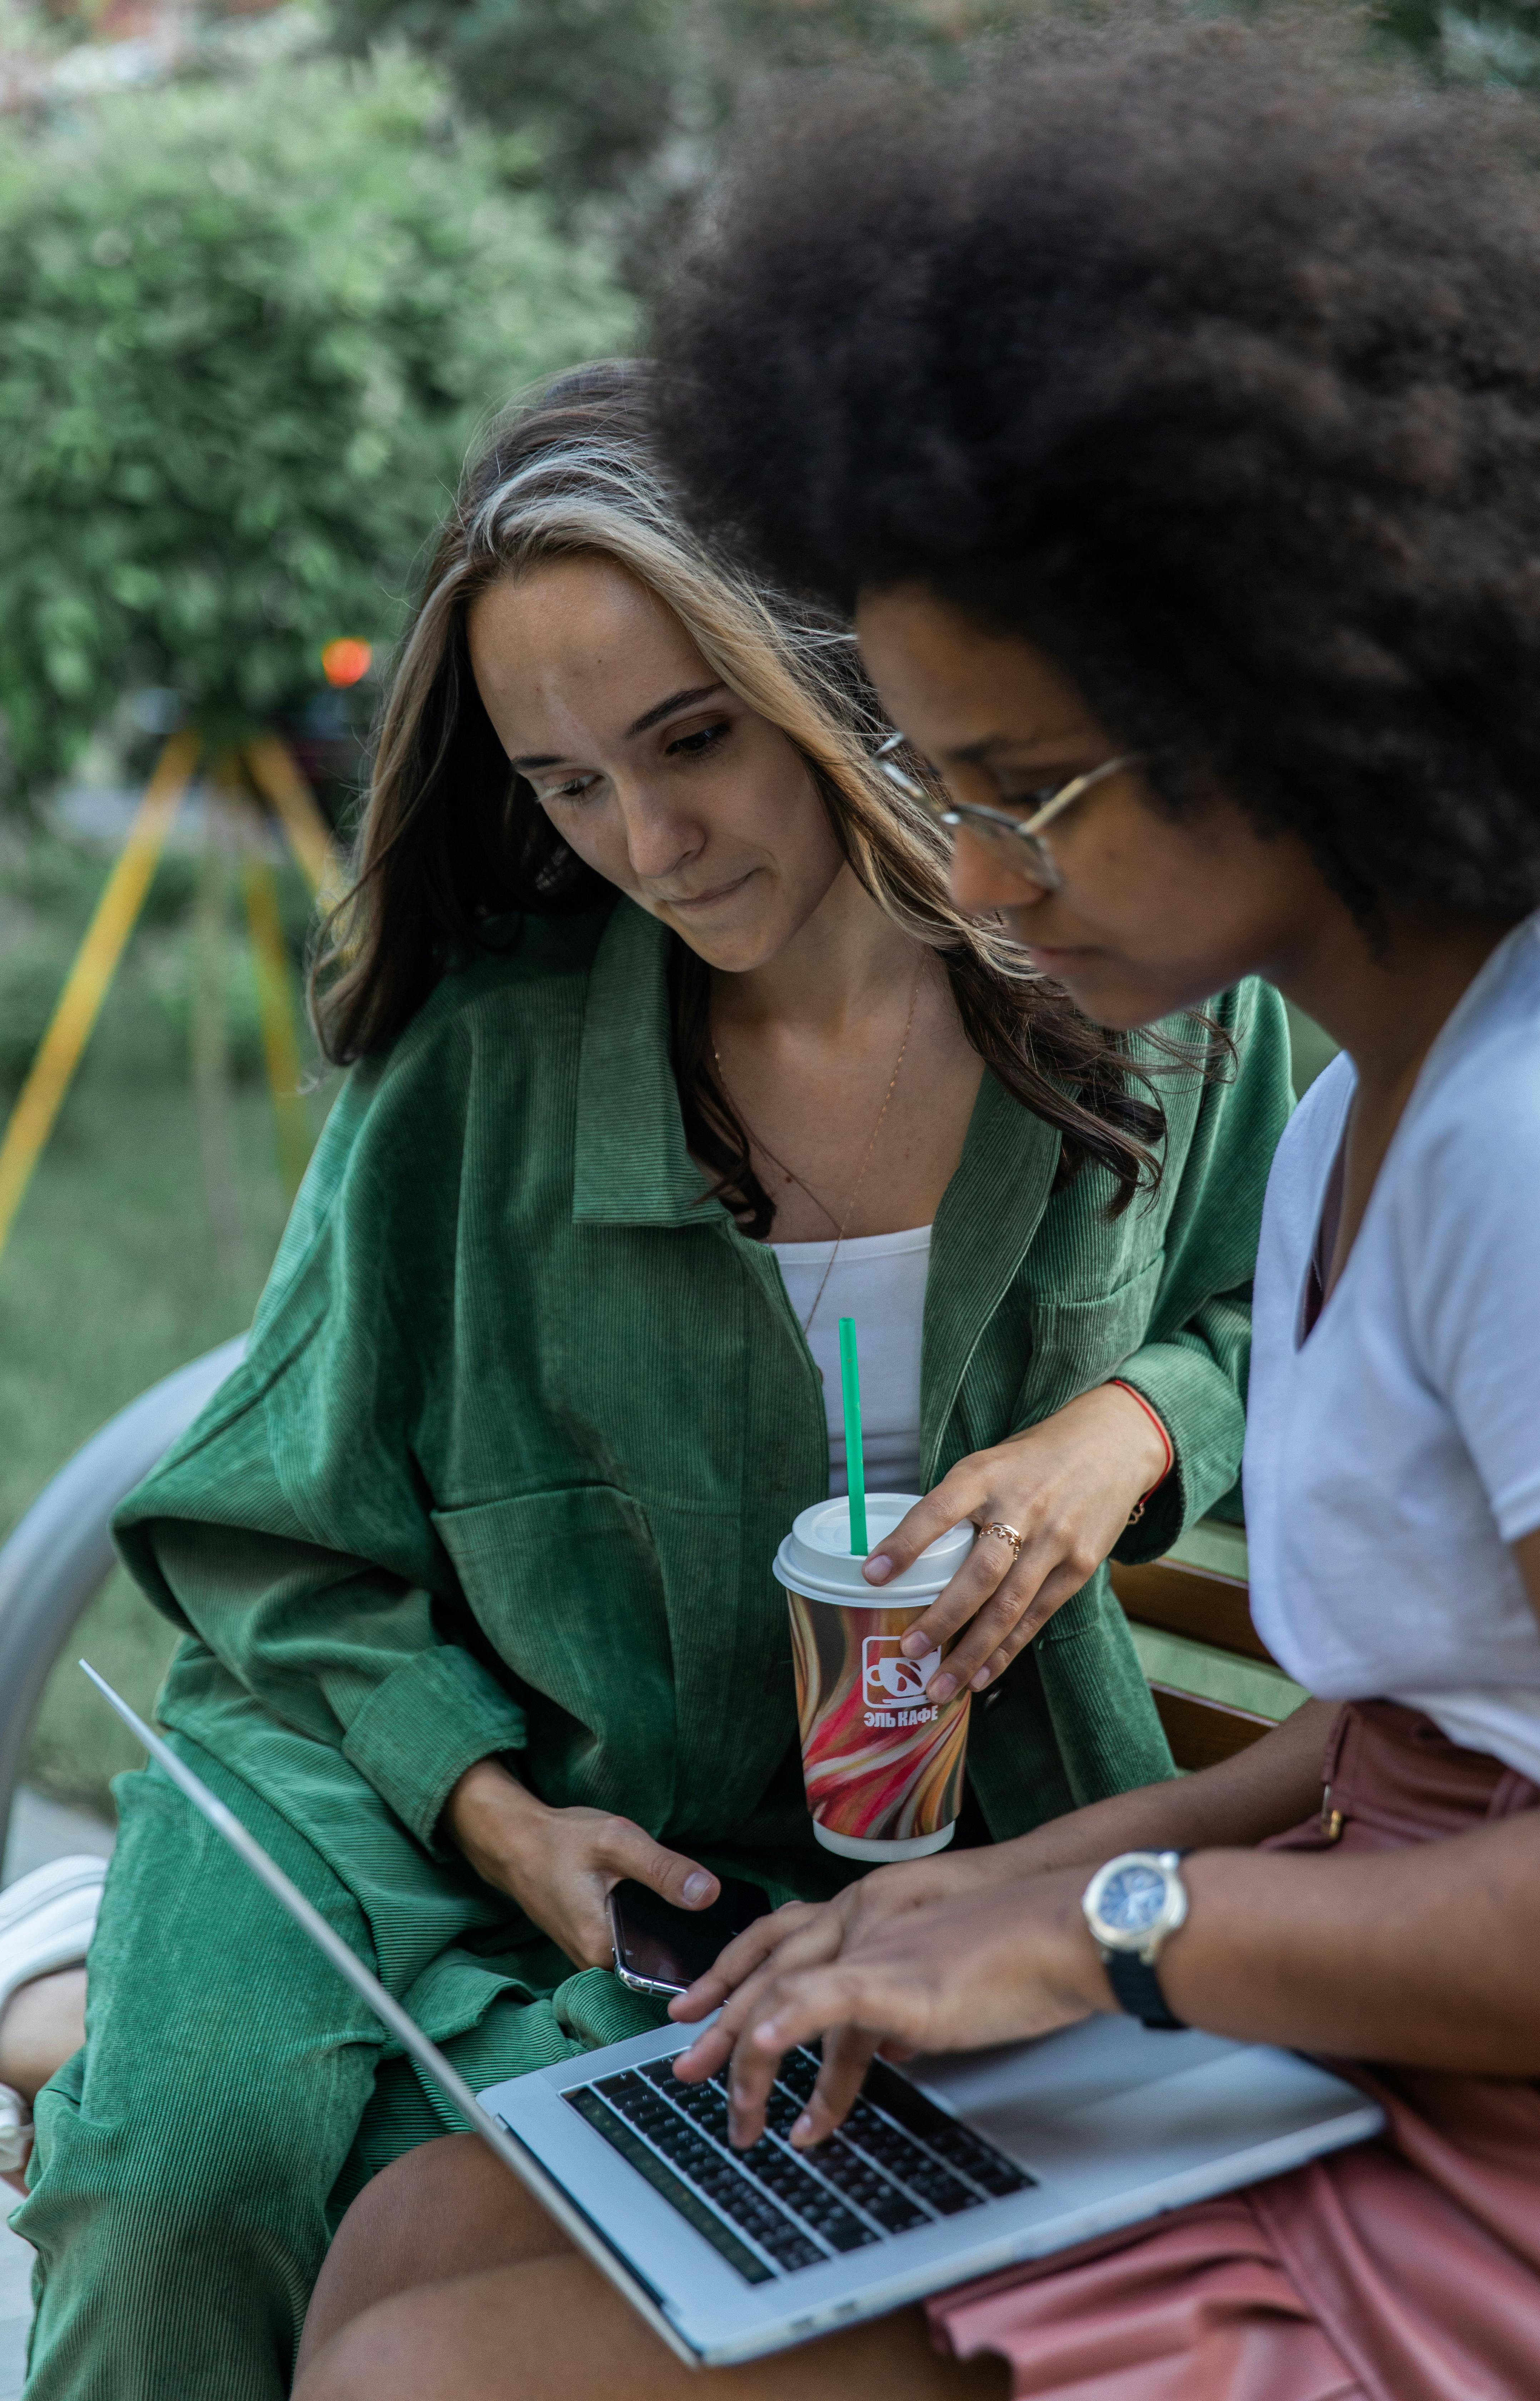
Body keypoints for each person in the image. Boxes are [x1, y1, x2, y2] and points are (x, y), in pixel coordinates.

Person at [290, 28, 1540, 2401]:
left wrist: (1105, 1924)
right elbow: (1425, 1747)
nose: (974, 884)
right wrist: (999, 1884)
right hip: (1340, 1987)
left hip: (1508, 2169)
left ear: (1288, 682)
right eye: (939, 783)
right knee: (412, 2237)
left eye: (1026, 792)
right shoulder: (1363, 1112)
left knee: (431, 2370)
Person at [10, 361, 1288, 2401]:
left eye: (693, 740)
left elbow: (1286, 1322)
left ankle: (75, 1982)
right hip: (382, 1767)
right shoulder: (480, 1065)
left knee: (511, 2181)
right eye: (567, 784)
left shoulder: (1133, 1001)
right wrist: (494, 1814)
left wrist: (1127, 1431)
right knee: (184, 2184)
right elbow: (277, 1538)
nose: (650, 842)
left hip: (823, 1856)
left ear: (837, 674)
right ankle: (127, 1990)